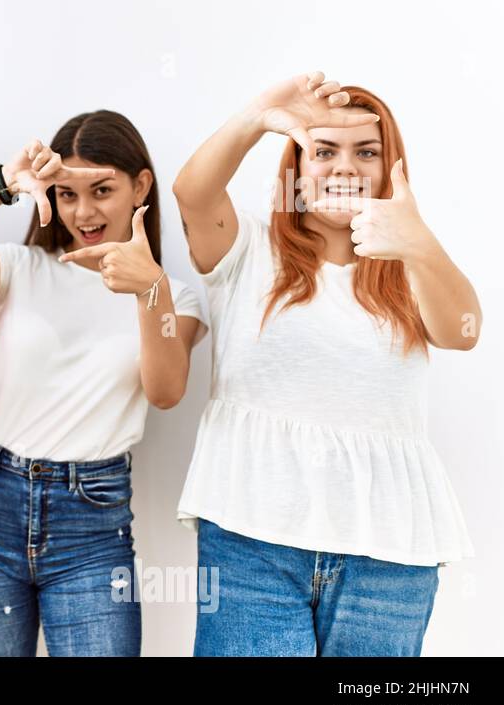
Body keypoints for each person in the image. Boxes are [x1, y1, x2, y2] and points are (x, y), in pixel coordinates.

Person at [172, 72, 480, 656]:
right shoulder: (247, 249)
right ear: (296, 167)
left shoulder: (411, 269)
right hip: (250, 537)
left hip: (388, 553)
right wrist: (259, 112)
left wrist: (417, 242)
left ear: (393, 169)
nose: (345, 166)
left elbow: (462, 332)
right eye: (324, 150)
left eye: (367, 152)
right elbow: (192, 193)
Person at [0, 112, 207, 656]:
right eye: (66, 194)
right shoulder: (21, 268)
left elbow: (165, 391)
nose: (83, 212)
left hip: (90, 522)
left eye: (103, 190)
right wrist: (3, 182)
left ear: (140, 186)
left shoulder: (174, 296)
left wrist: (148, 290)